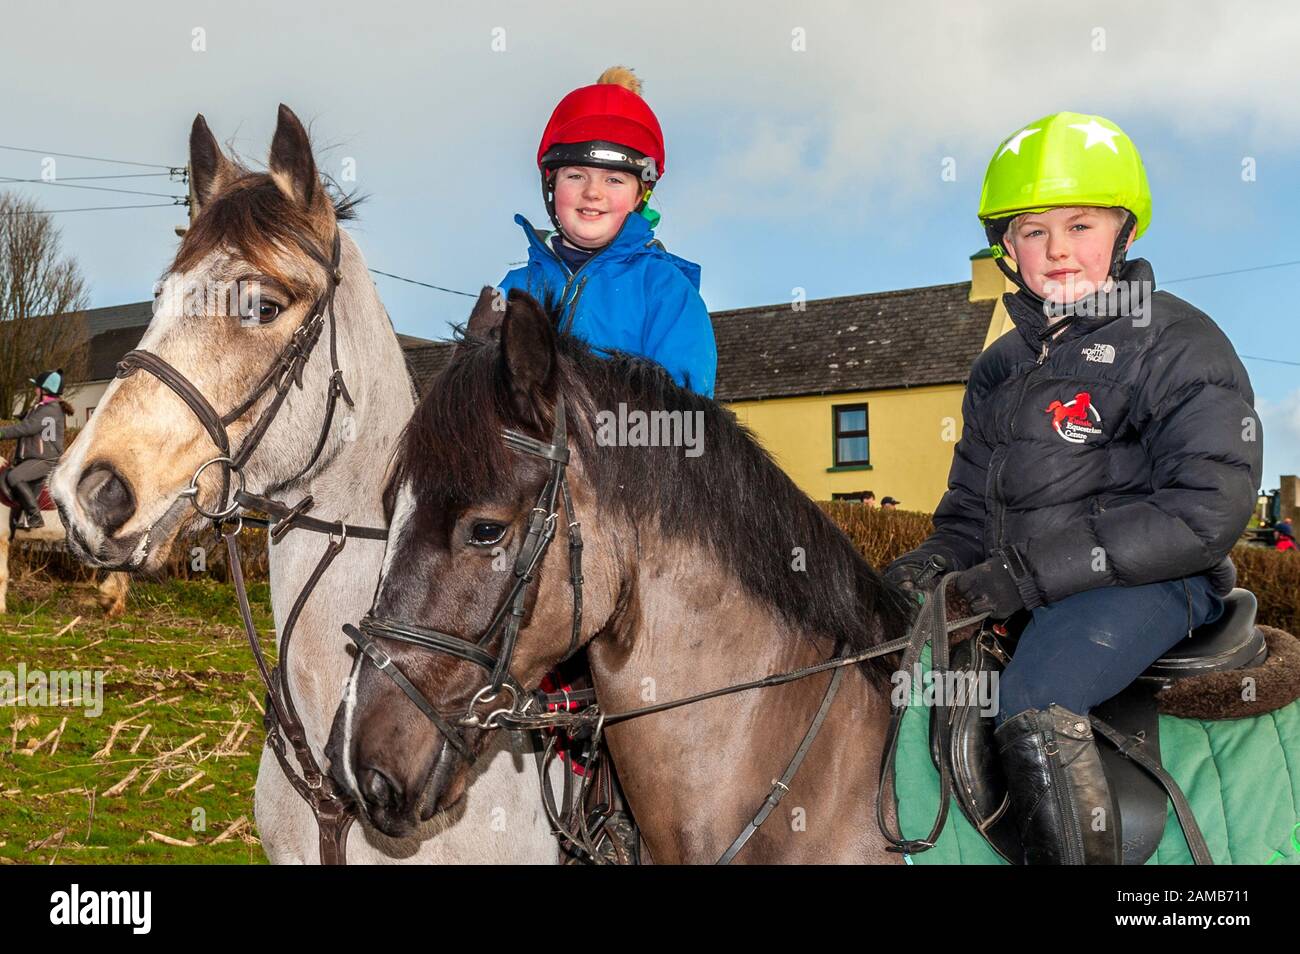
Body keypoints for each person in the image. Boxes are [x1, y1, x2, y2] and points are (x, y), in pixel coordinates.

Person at [884, 112, 1262, 864]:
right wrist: (923, 568)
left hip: (1155, 584)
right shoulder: (998, 368)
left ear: (1123, 234)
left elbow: (1205, 510)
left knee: (1035, 698)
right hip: (1027, 589)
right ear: (1005, 246)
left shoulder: (1177, 341)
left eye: (1080, 225)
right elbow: (968, 514)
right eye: (1032, 230)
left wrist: (1027, 574)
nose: (1057, 249)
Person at [496, 66, 717, 397]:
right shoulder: (515, 288)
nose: (592, 193)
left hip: (624, 447)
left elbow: (683, 421)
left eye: (613, 180)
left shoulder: (666, 291)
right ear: (551, 183)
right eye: (576, 176)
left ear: (640, 195)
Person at [1, 369, 71, 530]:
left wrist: (2, 432)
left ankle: (35, 518)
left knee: (14, 477)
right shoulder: (43, 408)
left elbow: (27, 428)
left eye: (37, 387)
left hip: (45, 459)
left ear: (45, 390)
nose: (35, 390)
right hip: (36, 458)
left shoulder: (49, 409)